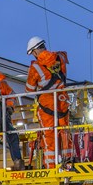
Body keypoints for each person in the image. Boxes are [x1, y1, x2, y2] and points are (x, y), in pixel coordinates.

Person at [24, 36, 71, 168]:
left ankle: (51, 167)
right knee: (65, 134)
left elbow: (29, 89)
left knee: (49, 137)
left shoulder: (35, 67)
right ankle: (68, 163)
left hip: (47, 105)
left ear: (34, 51)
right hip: (63, 101)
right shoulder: (60, 57)